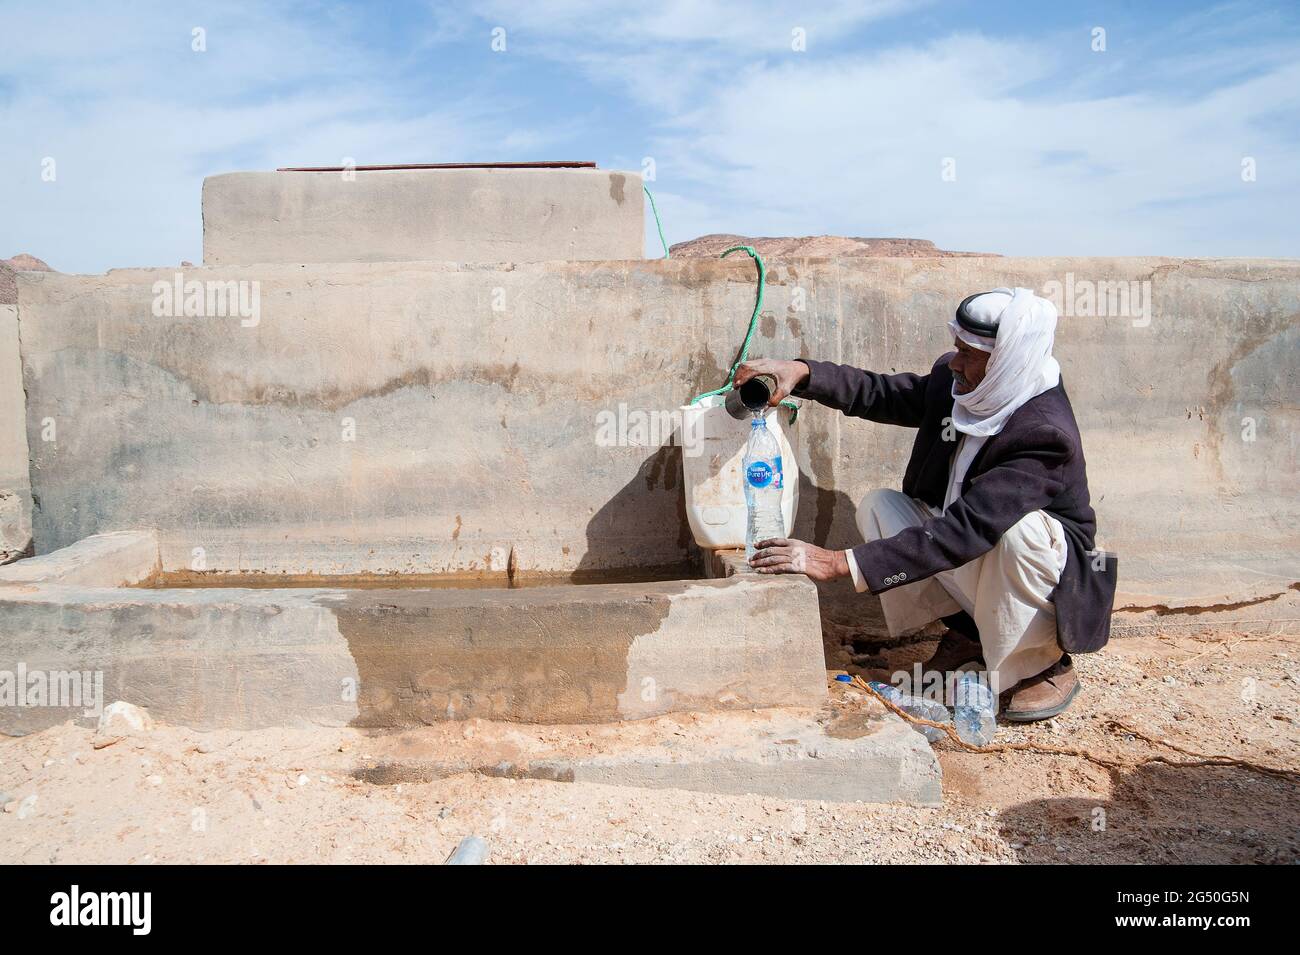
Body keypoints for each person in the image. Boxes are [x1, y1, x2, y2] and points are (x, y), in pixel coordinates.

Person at [735, 287, 1116, 721]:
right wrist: (803, 372)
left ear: (1007, 359)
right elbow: (885, 394)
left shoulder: (1044, 432)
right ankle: (969, 634)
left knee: (1018, 533)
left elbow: (966, 530)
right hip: (974, 542)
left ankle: (1041, 666)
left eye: (970, 353)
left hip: (1043, 571)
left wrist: (839, 562)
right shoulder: (964, 383)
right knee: (882, 507)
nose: (956, 362)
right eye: (958, 348)